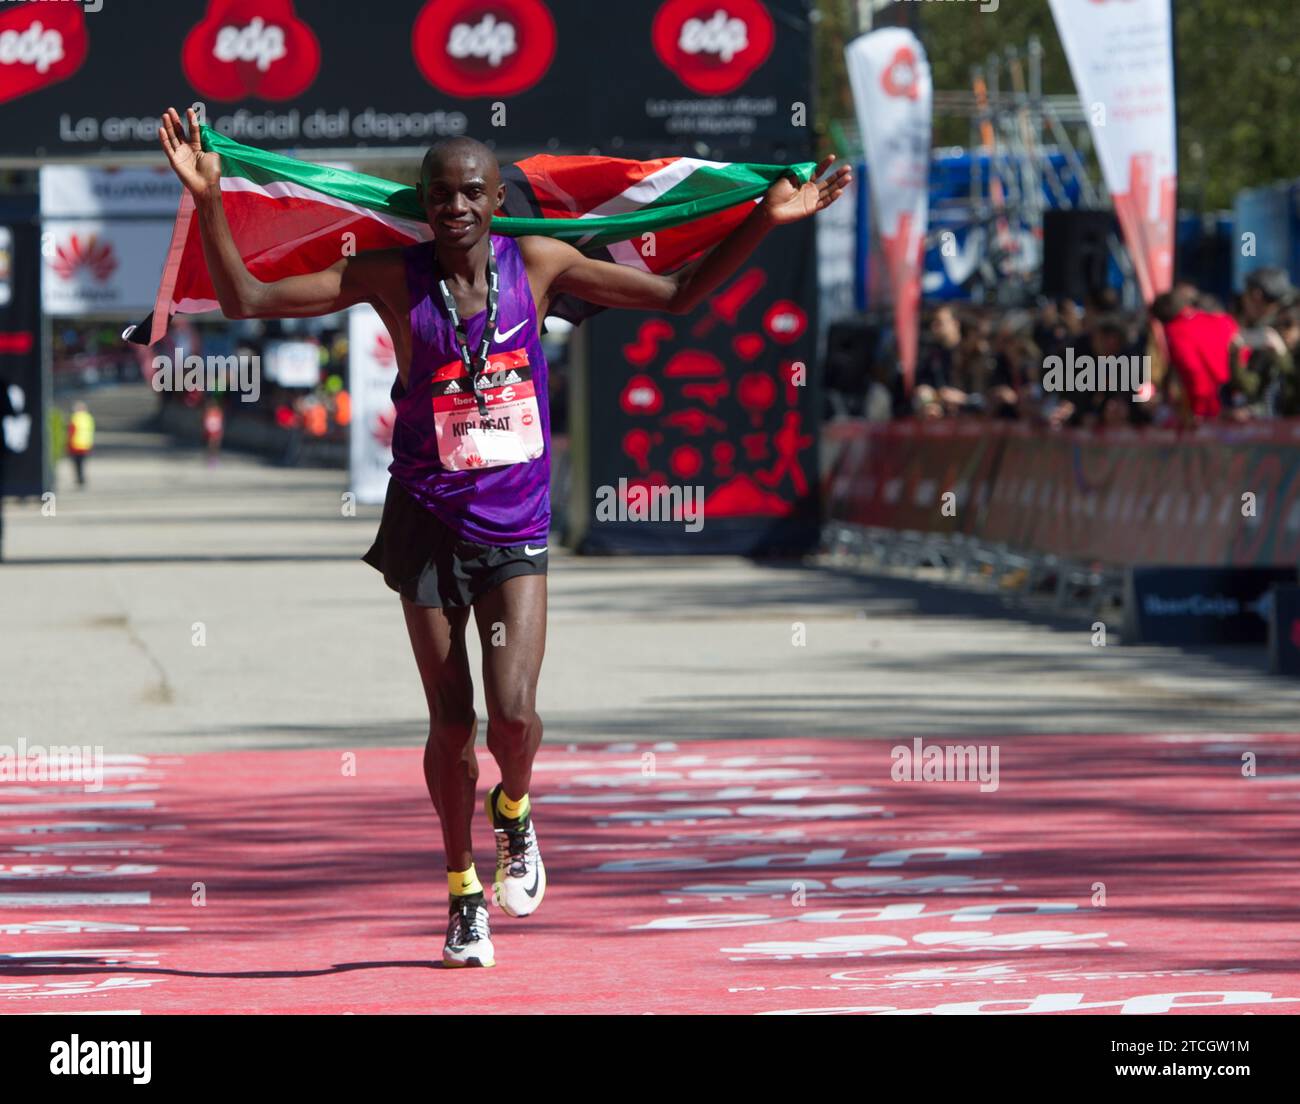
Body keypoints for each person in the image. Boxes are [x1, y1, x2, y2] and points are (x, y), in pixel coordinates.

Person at [159, 106, 850, 968]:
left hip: (516, 525)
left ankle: (514, 811)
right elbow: (245, 298)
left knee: (512, 716)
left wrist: (765, 219)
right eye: (440, 193)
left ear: (496, 201)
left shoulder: (545, 263)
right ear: (421, 201)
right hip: (424, 522)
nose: (456, 207)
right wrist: (212, 200)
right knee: (453, 726)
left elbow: (677, 298)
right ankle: (461, 893)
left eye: (473, 192)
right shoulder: (387, 275)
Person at [67, 400, 95, 487]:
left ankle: (80, 478)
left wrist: (68, 443)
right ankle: (82, 478)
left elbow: (71, 431)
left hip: (76, 444)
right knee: (82, 463)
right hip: (86, 444)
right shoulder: (88, 417)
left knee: (77, 464)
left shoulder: (75, 417)